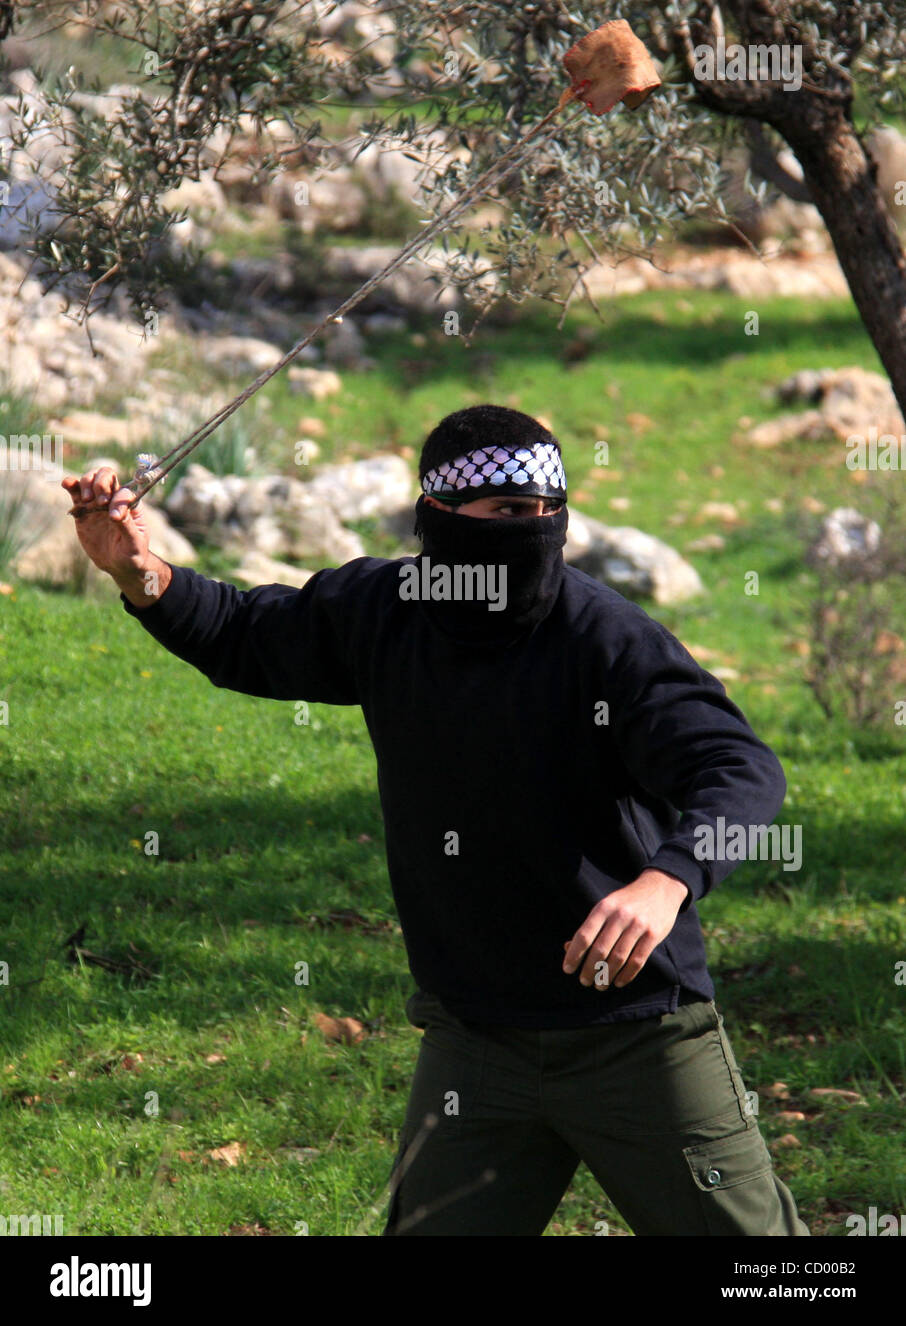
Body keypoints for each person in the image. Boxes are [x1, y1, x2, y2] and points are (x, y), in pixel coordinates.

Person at [64, 403, 809, 1237]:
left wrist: (666, 882)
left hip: (633, 1034)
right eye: (501, 513)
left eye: (541, 513)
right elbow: (245, 632)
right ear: (437, 519)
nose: (526, 531)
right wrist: (139, 571)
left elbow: (741, 768)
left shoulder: (605, 639)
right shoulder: (385, 609)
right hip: (474, 1039)